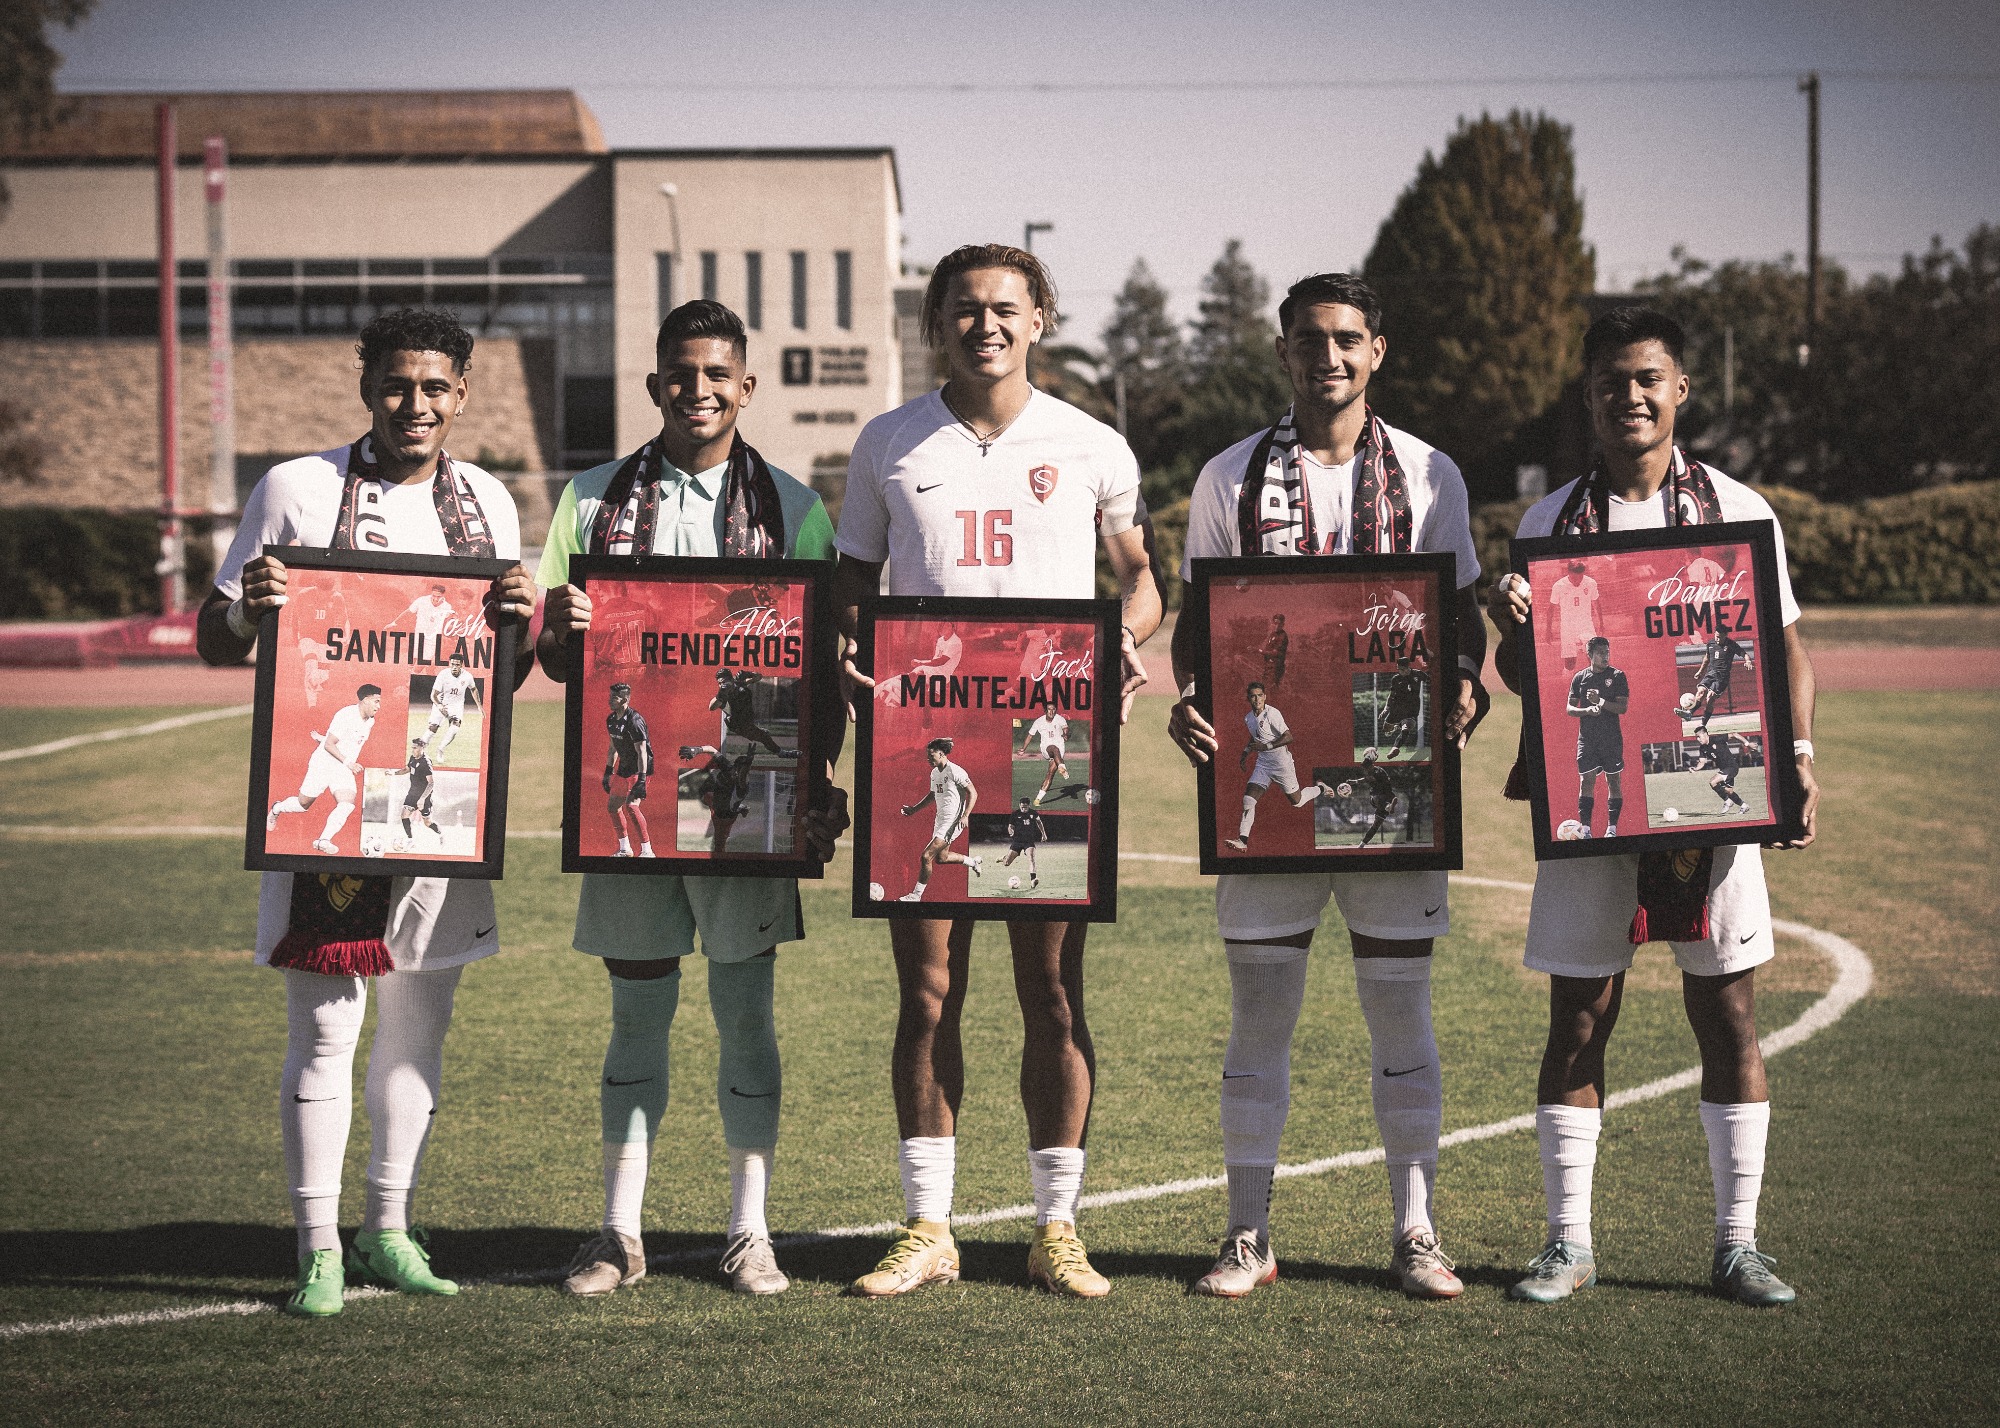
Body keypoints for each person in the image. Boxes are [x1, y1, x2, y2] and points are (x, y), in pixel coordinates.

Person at [194, 306, 535, 1318]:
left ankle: (387, 1227)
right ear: (366, 388)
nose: (414, 405)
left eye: (434, 387)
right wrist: (245, 605)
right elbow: (217, 642)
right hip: (335, 805)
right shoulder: (296, 488)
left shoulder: (490, 504)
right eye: (396, 385)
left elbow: (493, 684)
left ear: (462, 394)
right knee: (328, 1025)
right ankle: (315, 1246)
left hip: (437, 794)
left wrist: (512, 629)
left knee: (418, 1026)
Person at [834, 242, 1160, 1298]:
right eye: (966, 309)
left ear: (1040, 320)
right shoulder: (887, 439)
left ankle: (1055, 1228)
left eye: (1005, 310)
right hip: (926, 734)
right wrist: (854, 648)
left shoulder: (1091, 444)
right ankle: (928, 1226)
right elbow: (850, 587)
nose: (986, 325)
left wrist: (1126, 637)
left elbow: (1142, 582)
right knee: (927, 994)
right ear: (938, 322)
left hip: (1039, 745)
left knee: (1050, 993)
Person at [1488, 306, 1820, 1308]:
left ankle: (1735, 1243)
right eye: (1607, 383)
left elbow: (1786, 644)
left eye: (1645, 379)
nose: (1627, 397)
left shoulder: (1733, 507)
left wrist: (1798, 754)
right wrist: (1511, 624)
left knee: (1723, 1009)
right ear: (1584, 398)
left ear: (1678, 390)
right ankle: (1565, 1243)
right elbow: (1521, 677)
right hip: (1591, 796)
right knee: (1578, 1014)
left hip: (1702, 785)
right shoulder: (1550, 522)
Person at [1167, 272, 1487, 1301]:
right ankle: (1246, 1233)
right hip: (1274, 772)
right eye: (1309, 340)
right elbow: (1195, 629)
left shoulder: (1433, 474)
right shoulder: (1227, 477)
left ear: (1377, 351)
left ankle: (1415, 1231)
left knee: (1400, 1009)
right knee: (1260, 1008)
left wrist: (1469, 693)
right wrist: (1186, 697)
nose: (1328, 358)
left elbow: (1463, 620)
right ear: (1282, 352)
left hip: (1392, 773)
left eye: (1347, 339)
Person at [536, 299, 844, 1298]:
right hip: (627, 799)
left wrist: (818, 787)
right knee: (635, 1019)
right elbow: (548, 654)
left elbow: (822, 670)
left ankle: (748, 1231)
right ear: (654, 382)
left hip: (744, 799)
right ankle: (617, 1232)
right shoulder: (588, 501)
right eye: (681, 372)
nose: (698, 389)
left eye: (717, 373)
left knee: (744, 1013)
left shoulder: (795, 507)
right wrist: (565, 627)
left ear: (744, 386)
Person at [268, 683, 383, 855]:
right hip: (323, 764)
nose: (378, 706)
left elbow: (344, 740)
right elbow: (330, 745)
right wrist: (347, 762)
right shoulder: (345, 715)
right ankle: (277, 808)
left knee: (346, 804)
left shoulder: (370, 721)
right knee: (303, 804)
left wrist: (322, 739)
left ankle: (323, 840)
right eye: (376, 701)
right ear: (365, 700)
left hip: (342, 768)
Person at [1227, 682, 1335, 851]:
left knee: (1297, 802)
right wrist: (1245, 753)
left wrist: (1267, 747)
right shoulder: (1248, 718)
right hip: (1263, 764)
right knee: (1248, 800)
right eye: (1253, 696)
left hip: (1281, 765)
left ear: (1265, 696)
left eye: (1260, 695)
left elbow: (1289, 737)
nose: (1257, 699)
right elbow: (1255, 737)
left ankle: (1320, 788)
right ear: (1248, 698)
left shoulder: (1272, 714)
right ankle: (1242, 841)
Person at [899, 736, 982, 899]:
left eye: (932, 755)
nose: (929, 759)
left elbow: (973, 792)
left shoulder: (955, 771)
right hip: (941, 820)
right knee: (942, 858)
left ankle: (916, 896)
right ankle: (973, 862)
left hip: (953, 822)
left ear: (942, 754)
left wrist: (966, 815)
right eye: (928, 755)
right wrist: (914, 809)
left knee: (926, 856)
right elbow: (932, 795)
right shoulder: (934, 773)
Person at [1566, 636, 1630, 837]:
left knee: (1614, 782)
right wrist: (1586, 710)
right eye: (1601, 653)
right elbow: (1569, 708)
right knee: (1586, 781)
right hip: (1587, 739)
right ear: (1590, 655)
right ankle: (1585, 830)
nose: (1606, 656)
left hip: (1611, 739)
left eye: (1607, 652)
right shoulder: (1579, 678)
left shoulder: (1618, 676)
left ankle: (1611, 829)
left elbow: (1622, 708)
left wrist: (1600, 702)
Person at [603, 683, 655, 858]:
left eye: (614, 697)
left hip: (640, 769)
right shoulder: (611, 720)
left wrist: (641, 779)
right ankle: (625, 849)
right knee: (613, 806)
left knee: (631, 806)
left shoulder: (635, 721)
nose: (610, 700)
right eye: (610, 696)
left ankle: (647, 851)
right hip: (624, 768)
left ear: (625, 699)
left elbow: (642, 752)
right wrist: (608, 772)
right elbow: (613, 748)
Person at [711, 668, 786, 757]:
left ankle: (757, 731)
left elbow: (759, 677)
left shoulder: (738, 684)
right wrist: (721, 694)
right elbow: (711, 707)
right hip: (737, 724)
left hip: (748, 719)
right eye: (719, 683)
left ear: (731, 680)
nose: (722, 685)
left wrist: (748, 673)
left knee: (762, 735)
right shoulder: (723, 695)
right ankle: (782, 753)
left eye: (724, 682)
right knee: (764, 737)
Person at [419, 651, 478, 760]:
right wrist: (440, 706)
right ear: (449, 664)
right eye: (452, 664)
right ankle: (420, 750)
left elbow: (473, 689)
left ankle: (441, 748)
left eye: (457, 664)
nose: (454, 667)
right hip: (441, 704)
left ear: (461, 665)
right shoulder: (443, 675)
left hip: (456, 705)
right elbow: (433, 695)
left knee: (455, 727)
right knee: (433, 728)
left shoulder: (467, 676)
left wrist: (479, 705)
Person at [1684, 629, 1745, 729]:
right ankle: (1689, 713)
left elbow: (1743, 652)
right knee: (1701, 691)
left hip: (1722, 676)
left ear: (1725, 635)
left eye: (1720, 636)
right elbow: (1706, 659)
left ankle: (1703, 724)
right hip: (1710, 673)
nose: (1717, 638)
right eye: (1716, 636)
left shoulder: (1731, 644)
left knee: (1710, 697)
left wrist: (1747, 660)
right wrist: (1700, 671)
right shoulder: (1711, 643)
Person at [1548, 560, 1601, 672]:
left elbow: (1596, 603)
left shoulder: (1591, 583)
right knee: (1570, 664)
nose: (1577, 581)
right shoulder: (1559, 585)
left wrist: (1601, 623)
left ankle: (1596, 685)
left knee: (1593, 656)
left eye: (1580, 578)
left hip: (1586, 624)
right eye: (1574, 578)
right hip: (1567, 627)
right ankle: (1565, 683)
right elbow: (1551, 609)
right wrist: (1548, 630)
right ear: (1568, 573)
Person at [1020, 710, 1071, 808]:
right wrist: (1023, 748)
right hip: (1046, 748)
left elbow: (1067, 731)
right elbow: (1030, 735)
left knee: (1050, 775)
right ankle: (1062, 768)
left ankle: (1037, 799)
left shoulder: (1060, 719)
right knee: (1054, 748)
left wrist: (1066, 735)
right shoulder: (1039, 721)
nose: (1051, 712)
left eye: (1053, 710)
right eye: (1049, 710)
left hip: (1059, 753)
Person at [1380, 656, 1426, 760]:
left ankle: (1395, 748)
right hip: (1396, 708)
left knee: (1406, 728)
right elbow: (1391, 695)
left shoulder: (1418, 674)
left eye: (1402, 669)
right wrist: (1386, 708)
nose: (1400, 671)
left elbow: (1433, 680)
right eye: (1398, 668)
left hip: (1412, 708)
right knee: (1386, 730)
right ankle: (1397, 726)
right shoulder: (1396, 679)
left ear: (1407, 667)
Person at [1694, 730, 1750, 815]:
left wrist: (1747, 744)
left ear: (1705, 734)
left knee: (1713, 781)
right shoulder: (1702, 748)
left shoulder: (1717, 739)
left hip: (1732, 767)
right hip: (1724, 770)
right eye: (1696, 737)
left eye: (1699, 736)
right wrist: (1695, 769)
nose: (1698, 739)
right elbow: (1702, 762)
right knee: (1728, 791)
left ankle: (1727, 801)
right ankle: (1744, 805)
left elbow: (1734, 734)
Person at [400, 737, 442, 849]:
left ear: (422, 748)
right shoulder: (413, 758)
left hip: (425, 796)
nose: (412, 750)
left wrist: (422, 799)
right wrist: (393, 773)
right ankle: (410, 840)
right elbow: (407, 769)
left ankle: (441, 834)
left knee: (427, 823)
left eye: (415, 748)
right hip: (413, 793)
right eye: (412, 747)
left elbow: (431, 783)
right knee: (404, 815)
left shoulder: (426, 763)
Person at [1355, 752, 1399, 849]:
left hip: (1379, 795)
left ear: (1372, 765)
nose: (1365, 769)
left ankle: (1388, 806)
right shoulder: (1378, 770)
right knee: (1375, 825)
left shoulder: (1376, 772)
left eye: (1366, 767)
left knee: (1375, 799)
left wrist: (1356, 781)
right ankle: (1362, 844)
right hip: (1388, 797)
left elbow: (1368, 779)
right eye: (1364, 767)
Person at [1000, 797, 1047, 886]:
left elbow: (1039, 822)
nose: (1023, 809)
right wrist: (1011, 831)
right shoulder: (1015, 814)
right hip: (1017, 841)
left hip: (1029, 841)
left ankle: (1033, 880)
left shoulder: (1033, 813)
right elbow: (1010, 826)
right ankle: (1003, 858)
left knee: (1031, 857)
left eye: (1025, 807)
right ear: (1019, 805)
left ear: (1029, 805)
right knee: (1006, 863)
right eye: (1022, 807)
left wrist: (1043, 834)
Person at [1260, 614, 1289, 691]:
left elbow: (1274, 653)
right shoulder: (1272, 634)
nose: (1277, 626)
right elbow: (1266, 648)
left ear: (1283, 625)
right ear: (1272, 623)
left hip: (1276, 667)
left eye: (1279, 624)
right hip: (1268, 665)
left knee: (1272, 690)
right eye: (1275, 623)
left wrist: (1259, 651)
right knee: (1265, 687)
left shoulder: (1282, 636)